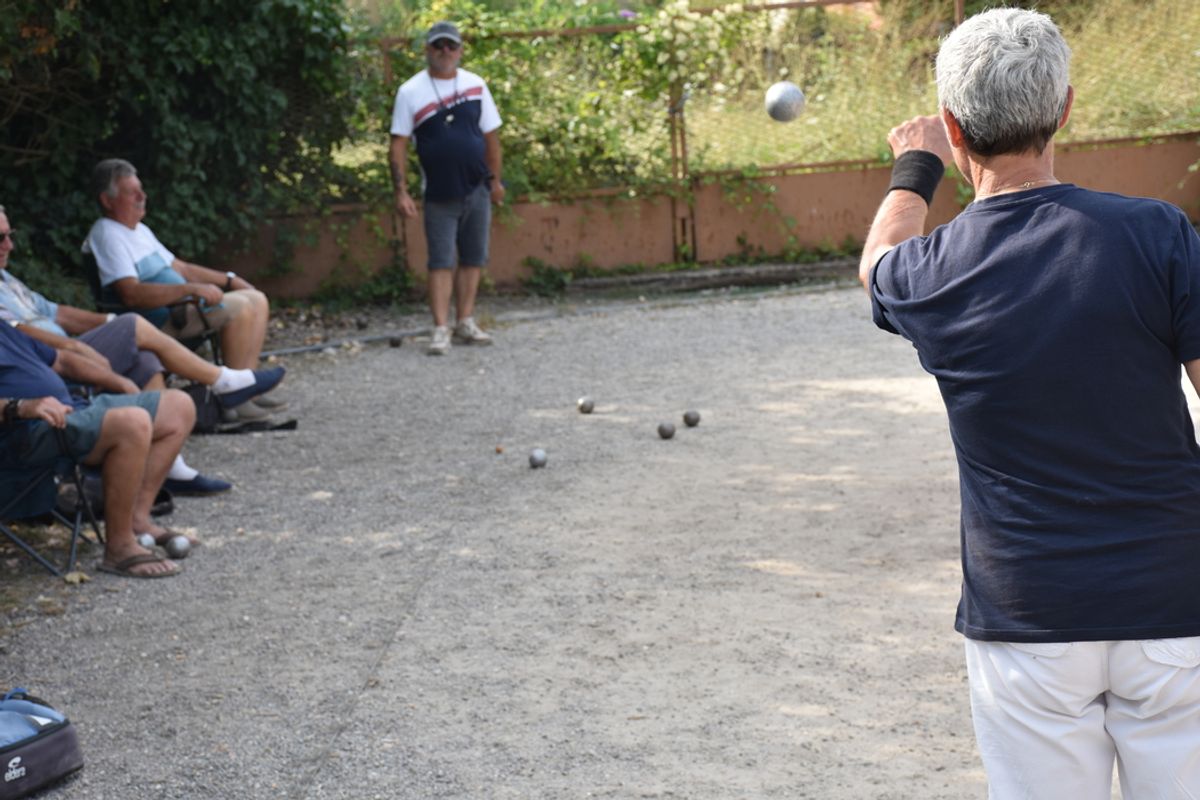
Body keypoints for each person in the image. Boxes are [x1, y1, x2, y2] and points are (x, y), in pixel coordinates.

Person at [860, 8, 1200, 798]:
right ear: (1065, 109)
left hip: (1028, 616)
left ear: (953, 124)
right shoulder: (1159, 235)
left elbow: (877, 261)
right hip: (1175, 597)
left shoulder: (930, 274)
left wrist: (916, 166)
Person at [0, 206, 285, 495]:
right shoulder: (107, 233)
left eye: (10, 235)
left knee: (144, 356)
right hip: (51, 361)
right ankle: (224, 381)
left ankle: (169, 463)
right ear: (107, 199)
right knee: (133, 325)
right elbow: (18, 334)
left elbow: (57, 312)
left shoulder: (7, 280)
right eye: (1, 238)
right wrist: (76, 344)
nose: (9, 245)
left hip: (72, 349)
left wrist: (107, 322)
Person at [83, 158, 283, 420]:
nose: (142, 197)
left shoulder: (138, 230)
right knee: (241, 308)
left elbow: (183, 268)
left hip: (183, 307)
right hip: (161, 318)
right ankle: (233, 399)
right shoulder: (108, 234)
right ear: (107, 201)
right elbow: (130, 293)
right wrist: (189, 291)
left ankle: (248, 391)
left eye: (141, 189)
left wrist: (230, 279)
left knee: (257, 298)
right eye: (132, 193)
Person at [0, 321, 194, 578]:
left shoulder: (4, 331)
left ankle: (137, 519)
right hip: (22, 432)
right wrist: (20, 407)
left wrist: (119, 381)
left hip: (69, 413)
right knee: (132, 423)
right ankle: (120, 548)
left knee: (179, 406)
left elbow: (63, 362)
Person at [389, 20, 505, 356]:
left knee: (473, 257)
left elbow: (491, 138)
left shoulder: (475, 85)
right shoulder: (410, 91)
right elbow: (398, 145)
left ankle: (465, 321)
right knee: (440, 261)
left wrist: (495, 181)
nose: (445, 52)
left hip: (476, 188)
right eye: (438, 46)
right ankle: (440, 328)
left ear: (460, 50)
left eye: (451, 46)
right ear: (427, 49)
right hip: (438, 192)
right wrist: (401, 191)